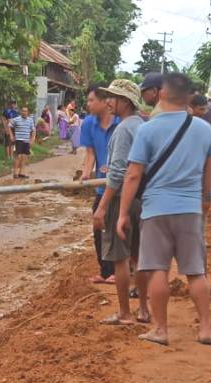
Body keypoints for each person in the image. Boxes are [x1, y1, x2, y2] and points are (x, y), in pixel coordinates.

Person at [116, 72, 211, 346]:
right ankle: (206, 329)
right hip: (190, 209)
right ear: (188, 98)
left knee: (158, 269)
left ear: (161, 95)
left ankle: (161, 330)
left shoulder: (147, 130)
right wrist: (205, 198)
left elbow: (134, 174)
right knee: (196, 271)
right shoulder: (203, 129)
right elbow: (210, 168)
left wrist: (123, 213)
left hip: (156, 209)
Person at [92, 79, 149, 325]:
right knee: (139, 256)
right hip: (141, 198)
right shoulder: (143, 127)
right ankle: (144, 310)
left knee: (120, 258)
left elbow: (117, 173)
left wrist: (103, 205)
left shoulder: (124, 129)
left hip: (121, 199)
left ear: (124, 102)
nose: (108, 102)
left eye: (112, 98)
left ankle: (125, 312)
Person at [79, 83, 120, 284]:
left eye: (91, 100)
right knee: (99, 224)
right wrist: (86, 173)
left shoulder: (122, 122)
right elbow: (90, 153)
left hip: (122, 185)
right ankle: (105, 271)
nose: (88, 104)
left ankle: (119, 270)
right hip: (102, 185)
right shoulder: (88, 123)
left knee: (119, 227)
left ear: (105, 101)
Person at [9, 106, 36, 179]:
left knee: (24, 157)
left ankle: (21, 173)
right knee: (18, 156)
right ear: (21, 112)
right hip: (18, 140)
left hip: (26, 140)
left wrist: (32, 139)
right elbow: (9, 126)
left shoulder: (30, 120)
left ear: (28, 112)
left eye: (26, 111)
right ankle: (15, 173)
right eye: (23, 111)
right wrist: (11, 135)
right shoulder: (16, 119)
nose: (24, 113)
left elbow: (33, 130)